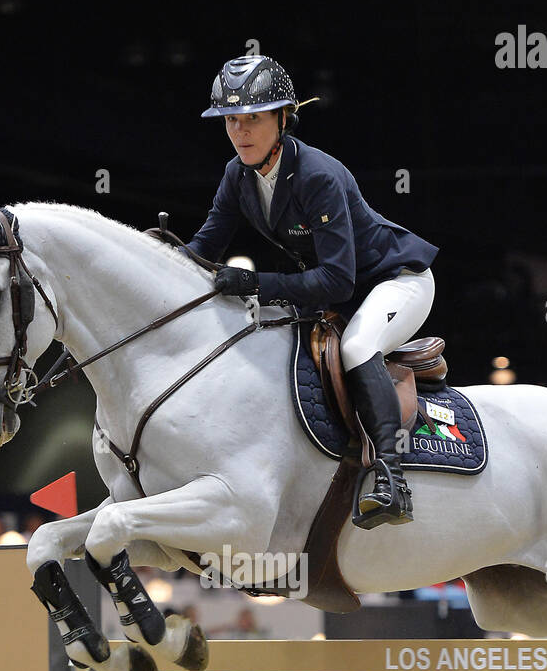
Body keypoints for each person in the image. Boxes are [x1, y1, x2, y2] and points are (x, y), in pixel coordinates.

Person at [182, 54, 439, 529]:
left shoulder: (318, 175)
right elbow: (203, 248)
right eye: (231, 120)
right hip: (338, 295)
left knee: (360, 346)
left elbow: (337, 279)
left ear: (283, 118)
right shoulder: (237, 176)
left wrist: (256, 283)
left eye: (253, 118)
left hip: (392, 282)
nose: (240, 131)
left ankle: (391, 478)